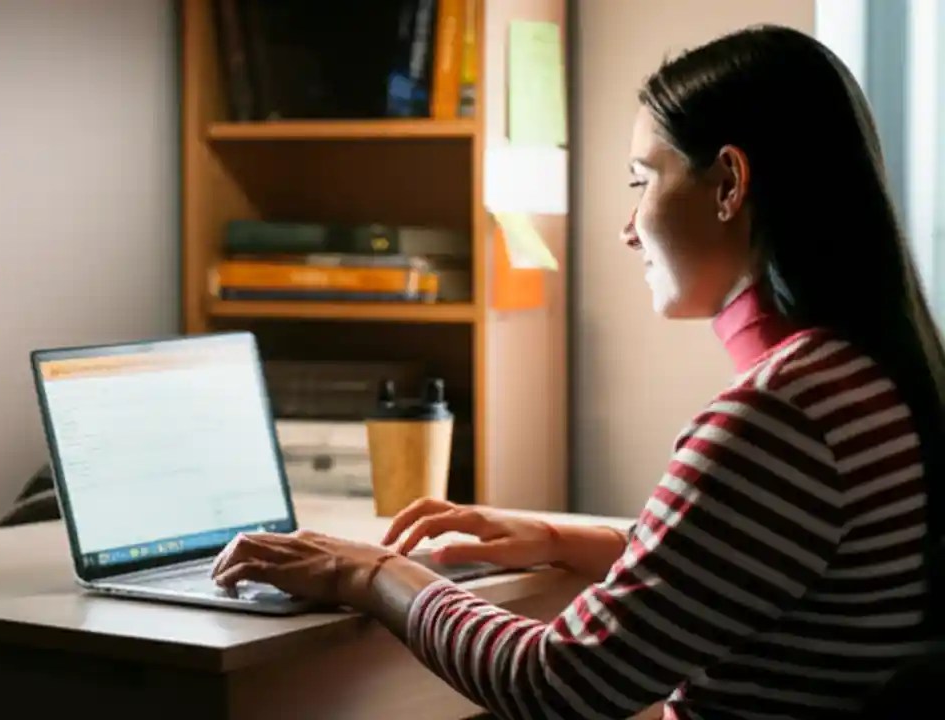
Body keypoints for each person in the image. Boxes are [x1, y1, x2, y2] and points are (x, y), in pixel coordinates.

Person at [210, 24, 944, 719]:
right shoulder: (858, 378)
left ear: (728, 185)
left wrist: (368, 574)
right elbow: (745, 569)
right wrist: (556, 536)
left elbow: (559, 684)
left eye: (639, 182)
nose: (629, 229)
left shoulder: (781, 416)